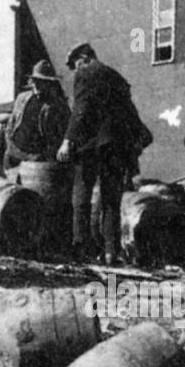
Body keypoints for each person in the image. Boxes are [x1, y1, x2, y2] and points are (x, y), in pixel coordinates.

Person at [56, 42, 146, 265]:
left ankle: (81, 248)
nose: (76, 70)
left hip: (91, 147)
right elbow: (130, 113)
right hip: (117, 147)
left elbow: (81, 110)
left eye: (76, 64)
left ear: (85, 58)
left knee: (81, 197)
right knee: (110, 201)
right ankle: (110, 252)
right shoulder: (117, 78)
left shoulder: (86, 73)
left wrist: (67, 141)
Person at [4, 59, 71, 172]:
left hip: (37, 158)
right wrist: (9, 143)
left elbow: (61, 133)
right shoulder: (22, 98)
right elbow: (12, 122)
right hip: (14, 152)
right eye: (36, 81)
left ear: (49, 83)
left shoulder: (57, 105)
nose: (38, 85)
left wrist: (45, 155)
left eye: (43, 81)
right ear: (31, 81)